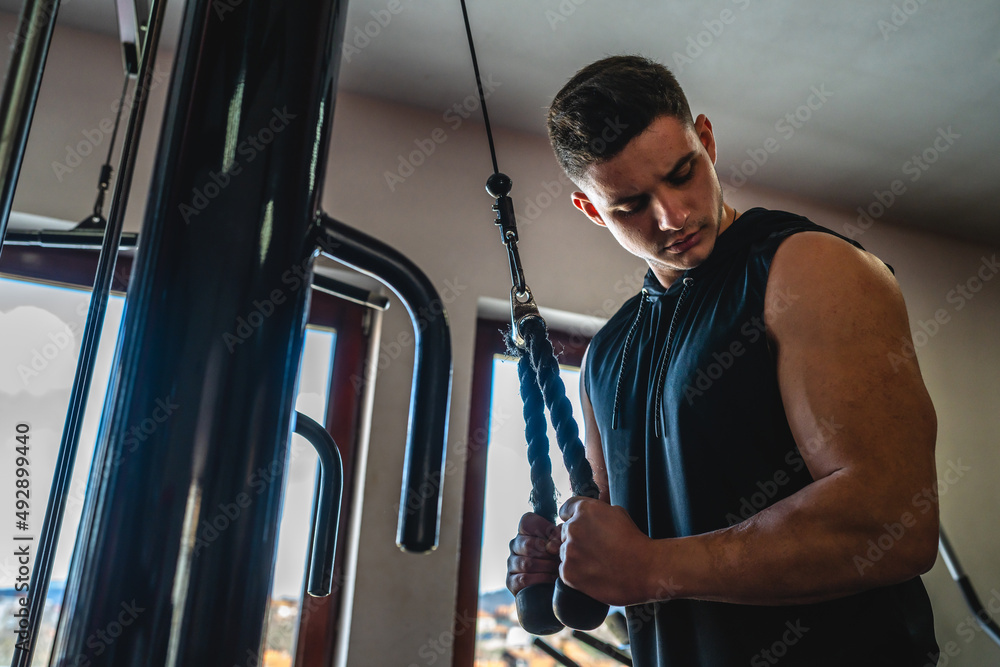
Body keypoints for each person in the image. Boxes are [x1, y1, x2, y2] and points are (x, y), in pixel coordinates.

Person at [506, 55, 940, 666]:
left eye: (683, 173)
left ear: (705, 141)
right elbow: (615, 560)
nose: (673, 217)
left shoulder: (808, 267)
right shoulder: (608, 353)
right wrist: (566, 559)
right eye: (630, 205)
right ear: (590, 210)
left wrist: (653, 567)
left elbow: (892, 523)